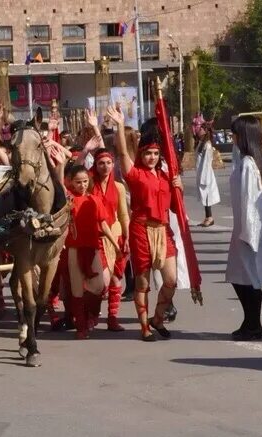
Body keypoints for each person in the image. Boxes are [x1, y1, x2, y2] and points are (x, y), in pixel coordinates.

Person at [109, 106, 182, 342]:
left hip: (163, 230)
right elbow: (121, 154)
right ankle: (144, 327)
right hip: (141, 230)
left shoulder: (164, 176)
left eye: (155, 153)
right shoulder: (135, 174)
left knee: (170, 280)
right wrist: (120, 125)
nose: (152, 157)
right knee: (142, 283)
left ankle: (157, 319)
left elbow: (174, 206)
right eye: (148, 153)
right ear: (140, 154)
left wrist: (177, 186)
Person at [226, 115, 262, 341]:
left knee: (248, 278)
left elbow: (249, 200)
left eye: (234, 133)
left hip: (248, 230)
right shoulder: (251, 161)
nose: (231, 137)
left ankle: (253, 324)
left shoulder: (248, 165)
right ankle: (250, 321)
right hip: (244, 229)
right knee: (240, 276)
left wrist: (248, 232)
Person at [64, 164, 122, 339]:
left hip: (93, 249)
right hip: (74, 250)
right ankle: (81, 328)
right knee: (76, 290)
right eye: (78, 182)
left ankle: (91, 315)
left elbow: (103, 224)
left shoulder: (95, 200)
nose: (81, 185)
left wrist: (115, 244)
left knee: (98, 287)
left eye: (84, 181)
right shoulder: (68, 201)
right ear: (72, 183)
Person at [89, 148, 130, 331]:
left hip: (117, 235)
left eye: (108, 163)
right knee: (101, 282)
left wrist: (127, 237)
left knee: (115, 280)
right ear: (95, 166)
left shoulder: (119, 187)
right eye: (101, 163)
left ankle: (112, 318)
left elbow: (123, 214)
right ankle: (93, 315)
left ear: (113, 165)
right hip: (97, 237)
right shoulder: (89, 184)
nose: (105, 167)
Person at [194, 115, 220, 227]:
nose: (197, 130)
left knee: (207, 196)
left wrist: (203, 177)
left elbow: (206, 162)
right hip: (201, 172)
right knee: (204, 197)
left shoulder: (207, 145)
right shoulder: (201, 143)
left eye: (200, 128)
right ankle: (207, 217)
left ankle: (210, 217)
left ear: (205, 130)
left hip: (206, 175)